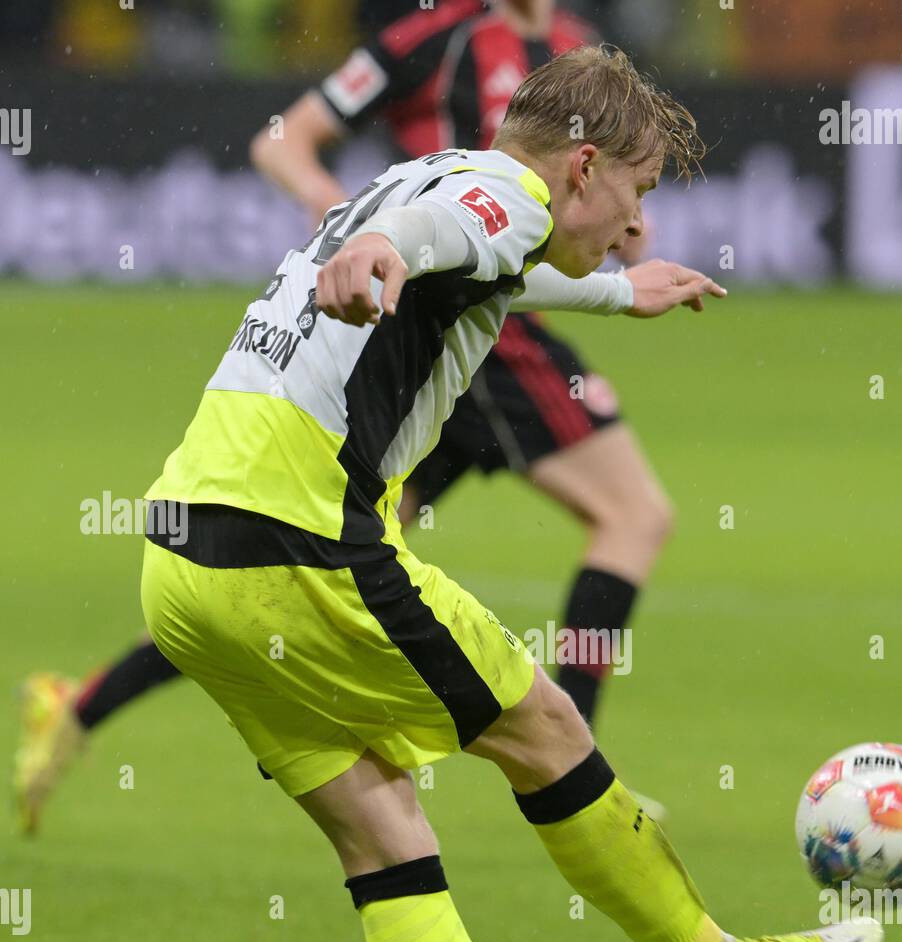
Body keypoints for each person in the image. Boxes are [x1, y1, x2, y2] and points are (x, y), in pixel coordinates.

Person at [138, 45, 883, 942]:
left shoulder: (431, 174)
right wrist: (379, 255)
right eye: (633, 200)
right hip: (304, 545)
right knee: (545, 729)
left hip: (184, 559)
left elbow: (461, 252)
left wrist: (608, 292)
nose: (635, 228)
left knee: (383, 836)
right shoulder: (499, 198)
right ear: (581, 168)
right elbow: (442, 241)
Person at [12, 2, 671, 834]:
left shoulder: (577, 55)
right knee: (631, 514)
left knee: (310, 565)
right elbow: (281, 140)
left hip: (456, 334)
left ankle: (78, 705)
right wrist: (361, 231)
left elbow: (586, 202)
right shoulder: (433, 36)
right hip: (428, 322)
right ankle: (581, 770)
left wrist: (617, 253)